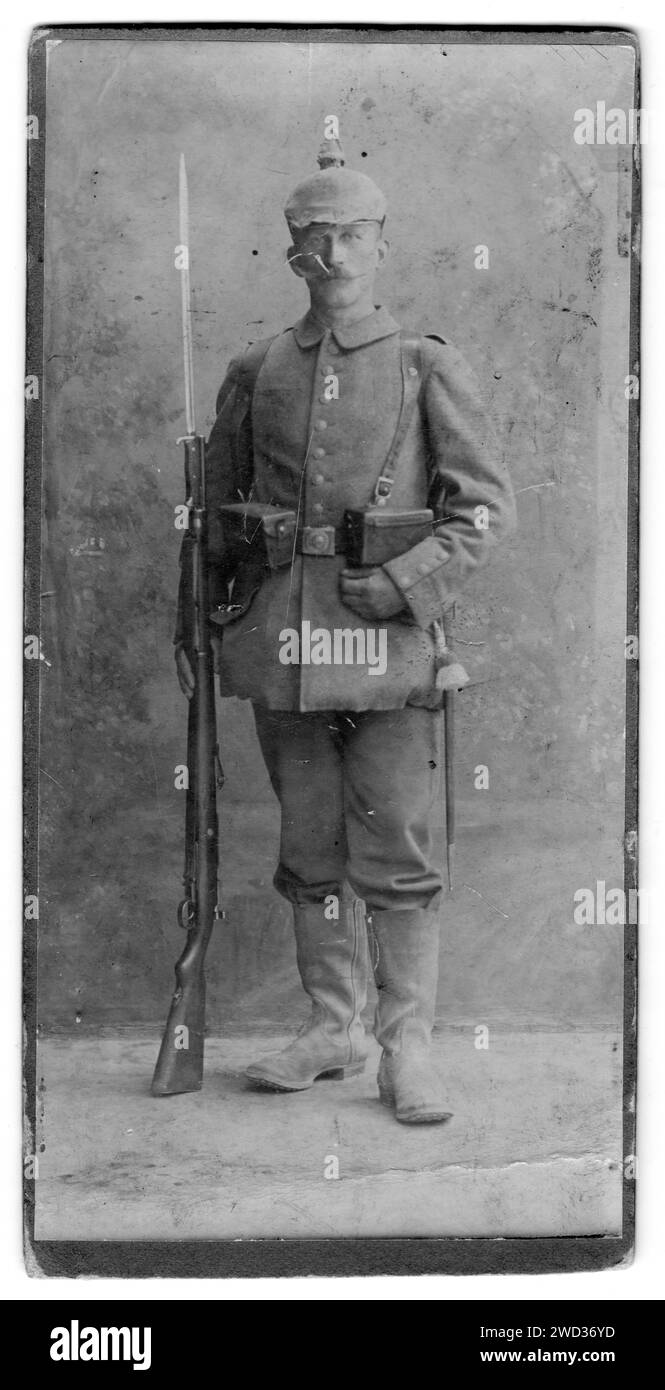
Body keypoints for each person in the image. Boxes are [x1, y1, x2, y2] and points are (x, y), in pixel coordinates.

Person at [175, 137, 515, 1123]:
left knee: (398, 846)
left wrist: (404, 582)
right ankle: (335, 1025)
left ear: (379, 246)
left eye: (349, 236)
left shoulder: (421, 366)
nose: (330, 255)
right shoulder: (257, 367)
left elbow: (482, 508)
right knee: (311, 842)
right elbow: (223, 512)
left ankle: (407, 1047)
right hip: (285, 646)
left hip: (389, 651)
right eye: (311, 238)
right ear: (289, 254)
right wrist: (207, 601)